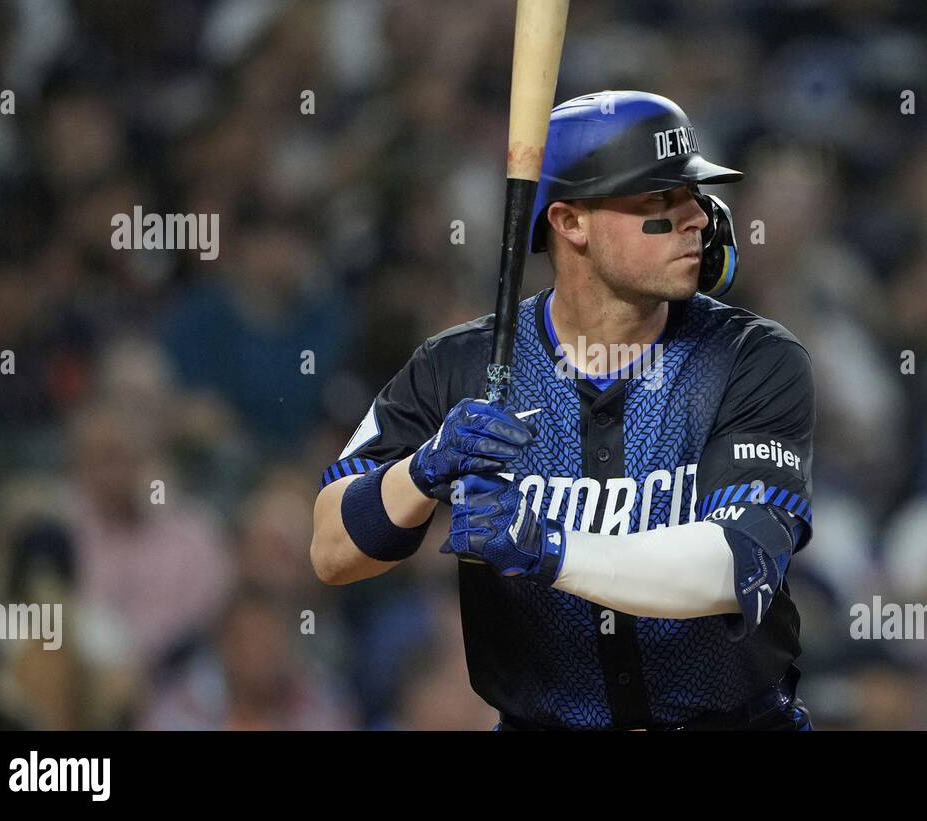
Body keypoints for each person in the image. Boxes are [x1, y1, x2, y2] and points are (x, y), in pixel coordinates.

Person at [310, 91, 816, 730]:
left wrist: (545, 548)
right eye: (658, 201)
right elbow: (332, 550)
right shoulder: (459, 365)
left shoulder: (749, 357)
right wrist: (421, 471)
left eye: (694, 196)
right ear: (571, 223)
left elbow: (736, 567)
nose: (697, 218)